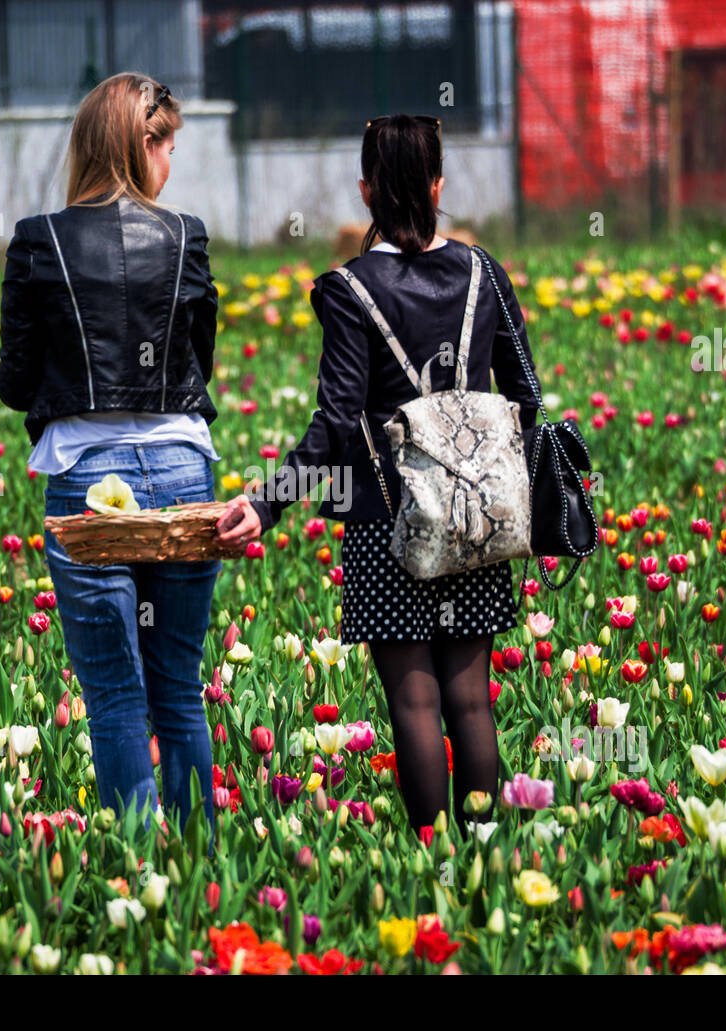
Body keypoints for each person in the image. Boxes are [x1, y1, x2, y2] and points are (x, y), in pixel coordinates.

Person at [215, 113, 542, 839]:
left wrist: (267, 504)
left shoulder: (349, 290)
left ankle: (431, 858)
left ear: (366, 192)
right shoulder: (486, 273)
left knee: (416, 704)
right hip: (478, 516)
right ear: (438, 184)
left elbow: (335, 424)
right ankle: (484, 855)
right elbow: (526, 397)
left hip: (386, 519)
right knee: (472, 701)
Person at [0, 73, 222, 848]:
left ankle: (142, 872)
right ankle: (201, 865)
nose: (171, 165)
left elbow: (14, 383)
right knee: (180, 690)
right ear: (141, 142)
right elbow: (200, 364)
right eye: (166, 145)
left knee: (117, 695)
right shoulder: (187, 235)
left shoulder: (37, 239)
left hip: (88, 477)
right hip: (185, 470)